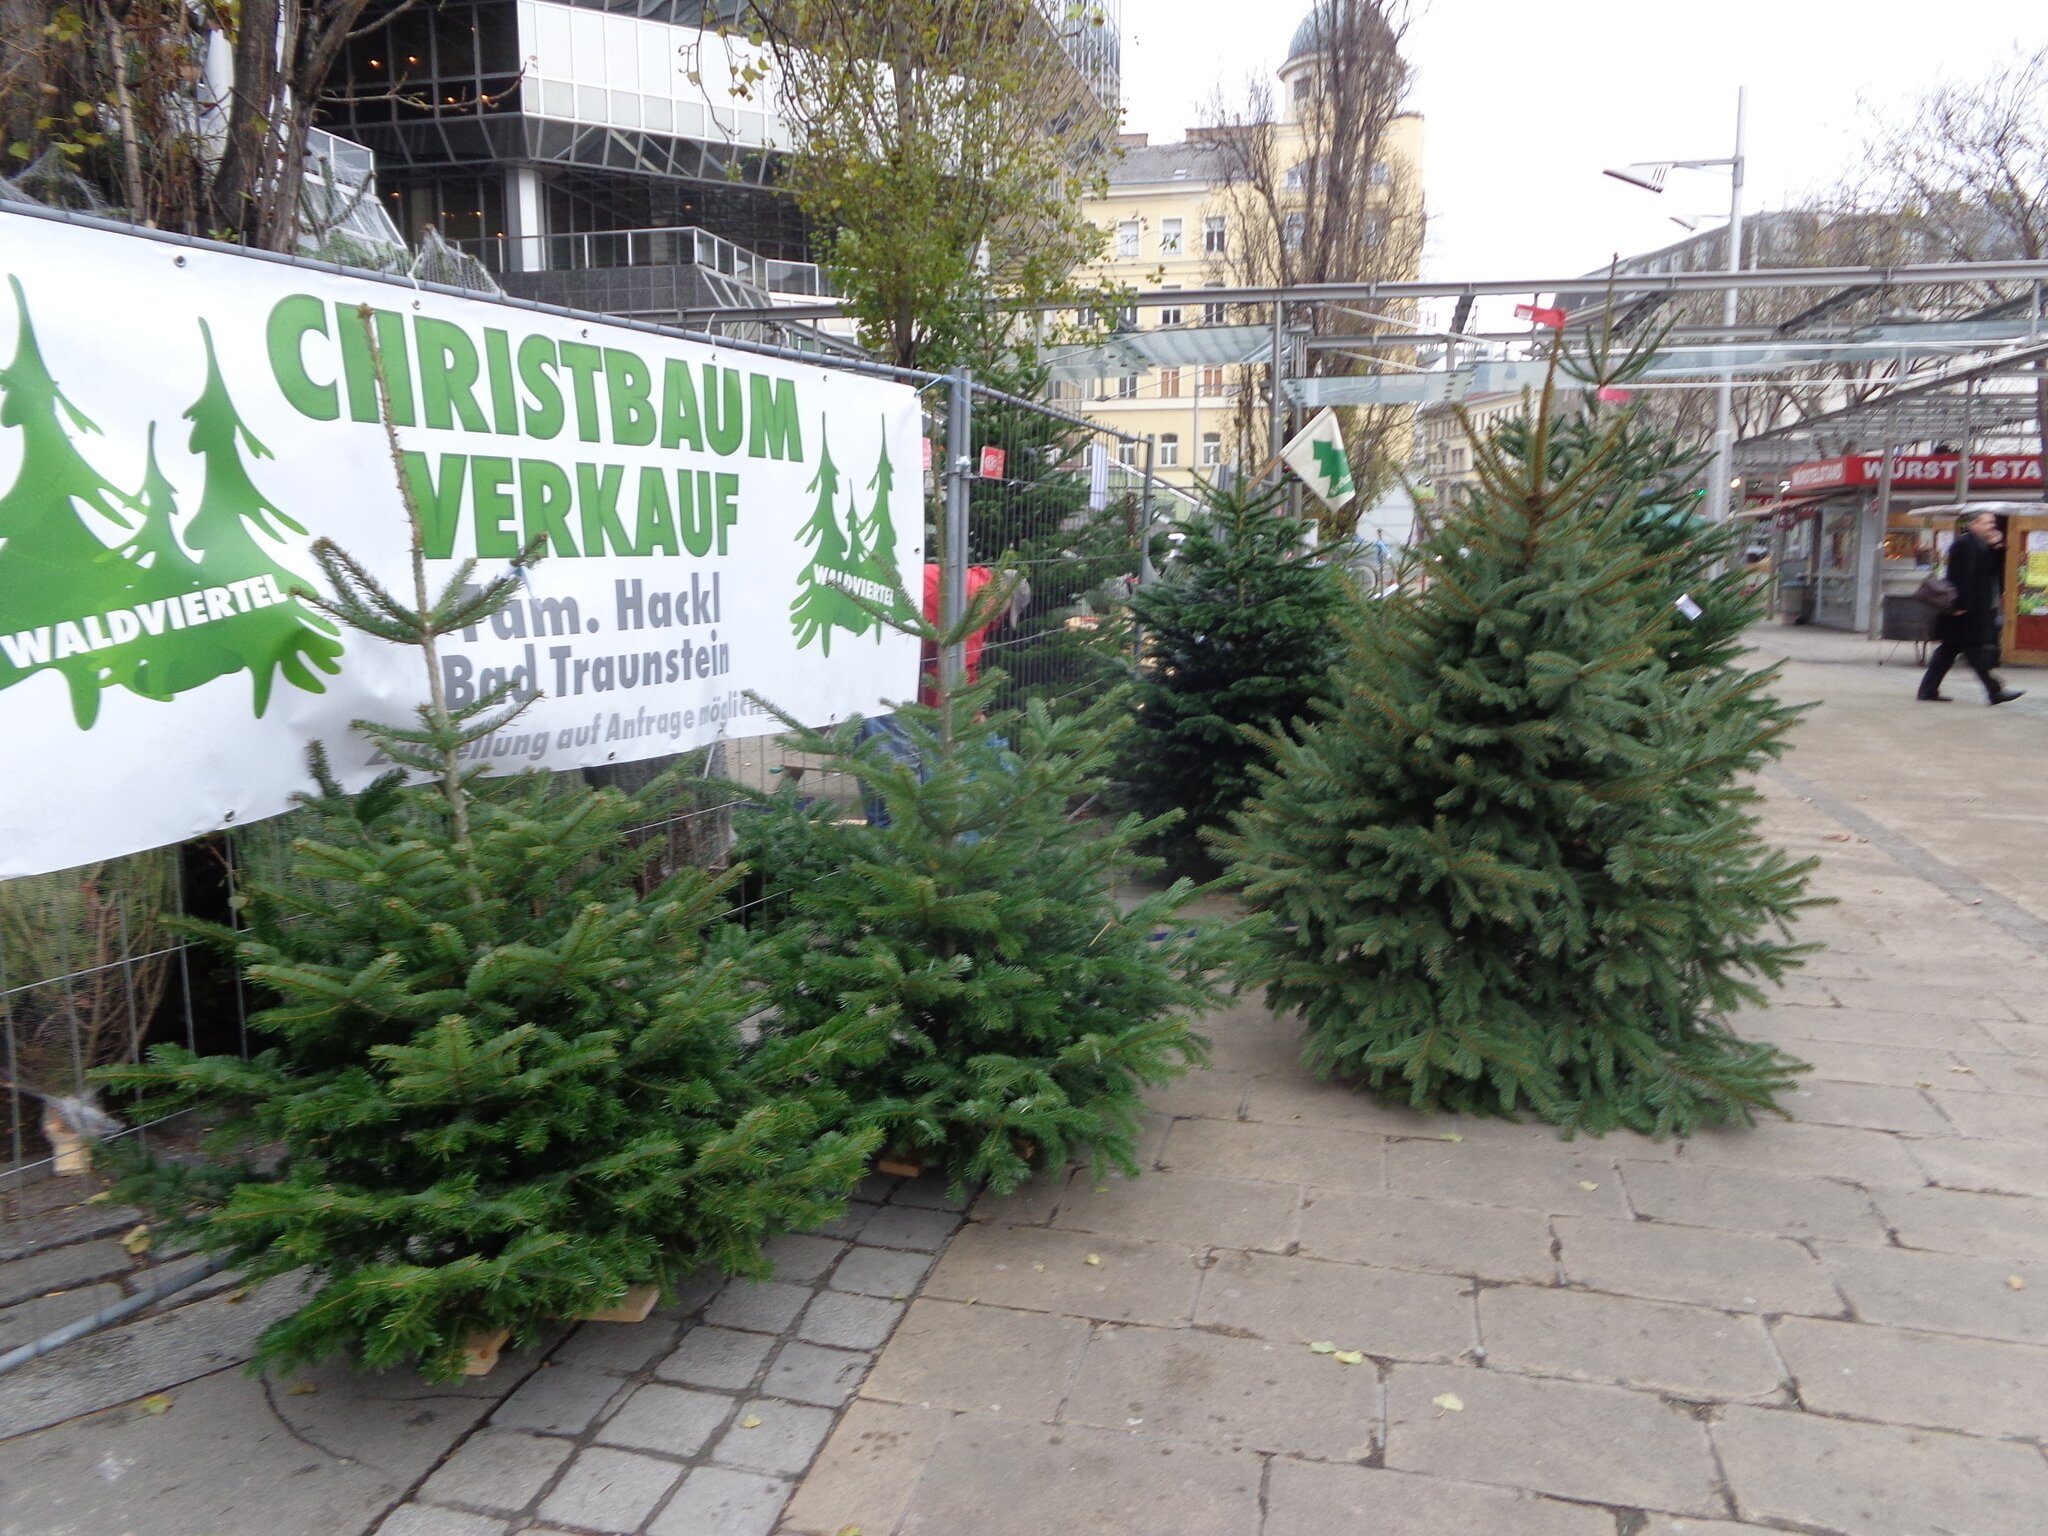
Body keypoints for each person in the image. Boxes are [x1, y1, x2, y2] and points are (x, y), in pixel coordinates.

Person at [858, 563, 1029, 826]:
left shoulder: (962, 581)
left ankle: (888, 842)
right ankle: (898, 852)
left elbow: (940, 664)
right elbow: (956, 671)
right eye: (1006, 615)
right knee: (899, 783)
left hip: (867, 653)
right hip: (880, 673)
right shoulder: (977, 601)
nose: (999, 623)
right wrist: (969, 716)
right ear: (1006, 599)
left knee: (881, 773)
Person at [1919, 510, 2024, 706]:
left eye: (1992, 522)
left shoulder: (1980, 544)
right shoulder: (1964, 544)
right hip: (1966, 610)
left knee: (1949, 650)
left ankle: (1928, 689)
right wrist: (1959, 606)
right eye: (1987, 523)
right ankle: (1994, 691)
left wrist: (1996, 547)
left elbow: (1993, 571)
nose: (1991, 526)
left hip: (1974, 608)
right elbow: (1959, 577)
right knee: (1973, 651)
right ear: (1973, 524)